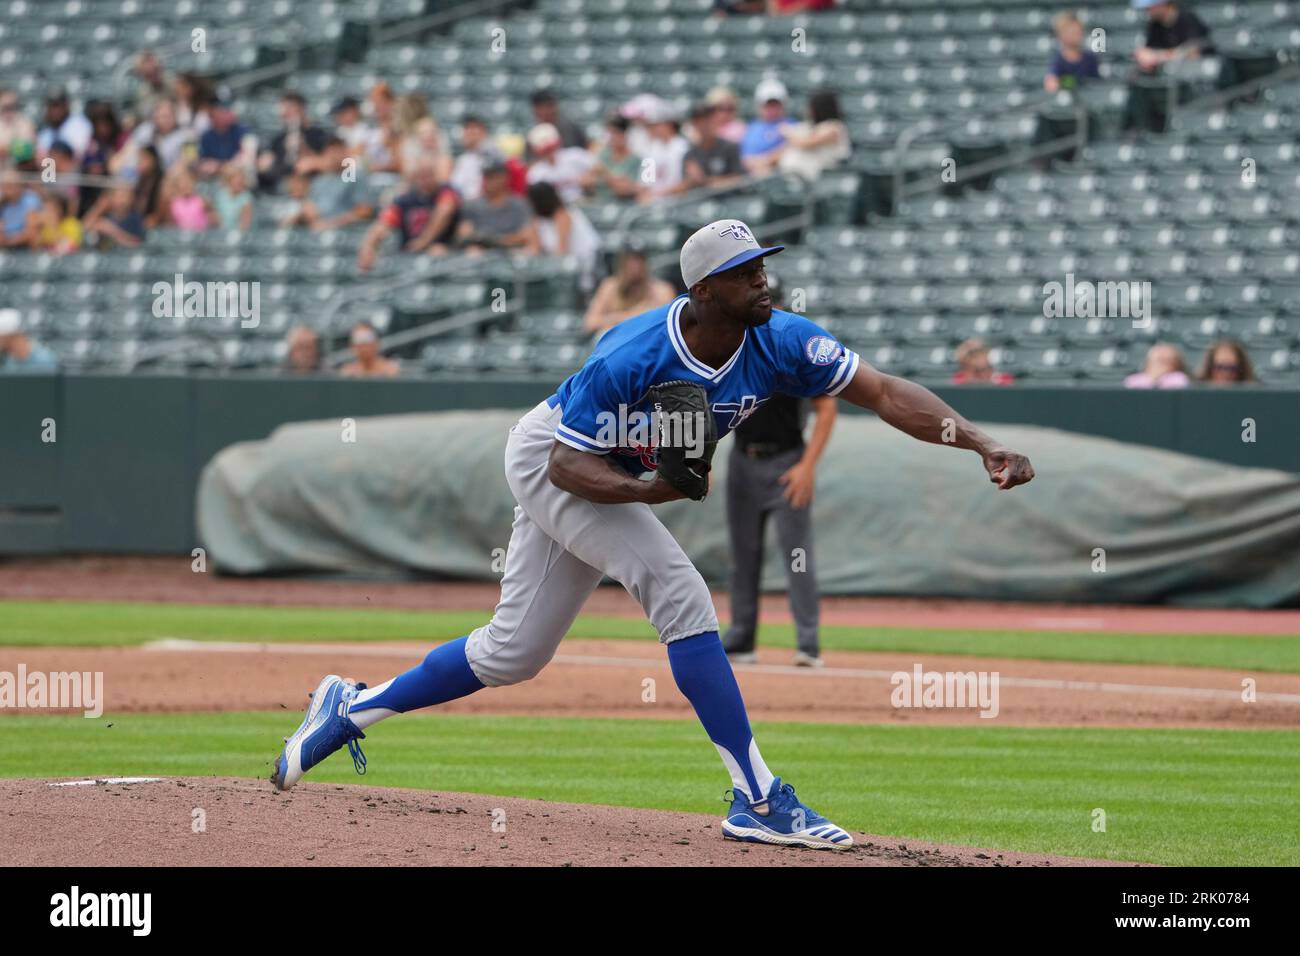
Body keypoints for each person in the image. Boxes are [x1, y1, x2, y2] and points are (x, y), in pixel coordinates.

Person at [269, 217, 1035, 852]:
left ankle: (349, 708)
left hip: (602, 471)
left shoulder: (781, 339)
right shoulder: (634, 353)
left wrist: (980, 441)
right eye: (744, 273)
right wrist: (649, 492)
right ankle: (758, 798)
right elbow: (566, 464)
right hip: (552, 460)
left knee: (512, 653)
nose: (762, 281)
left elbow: (884, 391)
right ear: (703, 291)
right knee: (680, 593)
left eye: (761, 266)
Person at [721, 276, 837, 667]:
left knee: (798, 556)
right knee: (743, 556)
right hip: (742, 459)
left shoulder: (797, 348)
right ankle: (742, 639)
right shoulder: (738, 346)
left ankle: (808, 643)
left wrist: (807, 467)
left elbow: (826, 408)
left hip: (787, 461)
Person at [356, 159, 459, 271]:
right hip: (409, 253)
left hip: (442, 248)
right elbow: (383, 224)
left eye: (429, 175)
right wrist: (368, 245)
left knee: (437, 252)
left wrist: (423, 241)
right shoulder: (405, 201)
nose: (425, 180)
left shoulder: (446, 192)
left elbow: (444, 212)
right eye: (422, 176)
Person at [282, 136, 374, 231]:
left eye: (338, 151)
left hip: (343, 230)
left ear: (346, 153)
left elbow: (365, 211)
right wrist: (300, 216)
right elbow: (310, 206)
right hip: (317, 229)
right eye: (331, 152)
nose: (334, 156)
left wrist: (332, 223)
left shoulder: (356, 176)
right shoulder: (320, 180)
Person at [583, 244, 677, 336]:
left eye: (639, 260)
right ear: (621, 264)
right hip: (617, 340)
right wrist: (624, 316)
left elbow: (670, 323)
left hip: (646, 339)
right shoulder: (609, 287)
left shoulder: (662, 290)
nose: (635, 267)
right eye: (630, 261)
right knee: (603, 334)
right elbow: (590, 323)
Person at [527, 181, 601, 295]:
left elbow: (561, 251)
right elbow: (535, 249)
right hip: (561, 266)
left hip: (583, 265)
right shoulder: (537, 220)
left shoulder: (564, 215)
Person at [454, 160, 535, 254]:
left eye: (492, 176)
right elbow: (464, 235)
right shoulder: (472, 205)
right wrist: (480, 240)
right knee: (472, 251)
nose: (488, 181)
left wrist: (496, 240)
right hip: (481, 255)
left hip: (510, 254)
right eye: (486, 176)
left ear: (504, 178)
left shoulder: (519, 205)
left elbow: (529, 237)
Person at [257, 90, 328, 192]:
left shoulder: (318, 134)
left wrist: (305, 150)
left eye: (290, 108)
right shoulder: (279, 138)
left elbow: (330, 162)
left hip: (311, 182)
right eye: (283, 109)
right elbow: (268, 163)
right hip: (281, 183)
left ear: (302, 109)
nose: (285, 113)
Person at [778, 89, 851, 181]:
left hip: (827, 176)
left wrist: (787, 133)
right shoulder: (810, 126)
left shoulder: (834, 128)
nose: (808, 110)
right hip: (799, 176)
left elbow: (805, 143)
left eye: (811, 107)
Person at [526, 122, 595, 204]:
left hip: (584, 201)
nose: (549, 153)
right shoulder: (535, 173)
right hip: (555, 208)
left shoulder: (575, 155)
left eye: (551, 148)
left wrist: (590, 176)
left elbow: (599, 169)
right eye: (545, 151)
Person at [681, 103, 745, 192]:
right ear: (694, 124)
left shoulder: (730, 147)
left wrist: (704, 180)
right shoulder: (690, 156)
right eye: (699, 121)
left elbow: (740, 180)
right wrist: (691, 181)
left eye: (707, 119)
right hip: (701, 199)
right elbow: (686, 188)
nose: (704, 125)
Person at [636, 103, 690, 201]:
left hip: (679, 202)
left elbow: (687, 182)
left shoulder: (683, 147)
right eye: (650, 126)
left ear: (669, 124)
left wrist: (661, 193)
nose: (652, 129)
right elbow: (645, 183)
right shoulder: (651, 149)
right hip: (654, 202)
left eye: (656, 125)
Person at [582, 113, 641, 202]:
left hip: (623, 205)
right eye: (610, 133)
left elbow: (624, 190)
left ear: (626, 134)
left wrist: (605, 173)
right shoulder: (604, 155)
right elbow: (585, 182)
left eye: (616, 133)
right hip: (598, 203)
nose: (612, 138)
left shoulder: (636, 160)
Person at [741, 79, 796, 175]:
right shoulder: (751, 128)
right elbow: (745, 158)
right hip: (753, 174)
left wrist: (767, 160)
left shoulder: (792, 125)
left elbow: (794, 148)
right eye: (768, 105)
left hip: (780, 174)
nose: (772, 109)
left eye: (775, 105)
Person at [1044, 11, 1102, 92]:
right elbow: (1051, 83)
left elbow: (1097, 84)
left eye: (1078, 31)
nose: (1076, 35)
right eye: (1071, 32)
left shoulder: (1090, 58)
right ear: (1060, 35)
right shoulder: (1057, 61)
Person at [448, 115, 501, 202]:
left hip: (486, 202)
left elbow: (495, 185)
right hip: (464, 203)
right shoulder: (463, 159)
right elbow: (455, 185)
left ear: (483, 132)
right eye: (466, 129)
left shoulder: (493, 153)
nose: (468, 134)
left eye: (472, 129)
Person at [197, 102, 254, 179]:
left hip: (236, 169)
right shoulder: (206, 136)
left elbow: (247, 154)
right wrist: (210, 164)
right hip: (213, 171)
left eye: (226, 112)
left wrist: (227, 165)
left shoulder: (242, 131)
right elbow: (202, 158)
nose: (223, 116)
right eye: (220, 112)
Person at [36, 88, 92, 160]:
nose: (54, 110)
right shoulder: (45, 131)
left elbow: (78, 155)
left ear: (66, 105)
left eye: (57, 105)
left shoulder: (79, 123)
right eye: (51, 106)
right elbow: (41, 157)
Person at [528, 89, 588, 156]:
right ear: (535, 110)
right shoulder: (533, 134)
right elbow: (529, 159)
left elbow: (579, 153)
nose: (546, 111)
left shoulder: (568, 128)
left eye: (549, 106)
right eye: (541, 107)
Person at [163, 164, 215, 231]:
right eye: (183, 184)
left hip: (200, 234)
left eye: (189, 183)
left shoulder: (201, 200)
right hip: (182, 234)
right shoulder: (174, 203)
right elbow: (170, 223)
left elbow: (213, 218)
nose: (186, 186)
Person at [0, 168, 42, 247]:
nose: (7, 189)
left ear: (19, 185)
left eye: (10, 186)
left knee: (34, 235)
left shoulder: (31, 198)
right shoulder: (2, 201)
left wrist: (9, 242)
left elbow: (31, 229)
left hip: (24, 245)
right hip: (7, 244)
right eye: (4, 186)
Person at [1124, 341, 1190, 388]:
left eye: (1164, 361)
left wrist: (1157, 377)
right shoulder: (1134, 379)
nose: (1161, 353)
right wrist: (1153, 378)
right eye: (1158, 360)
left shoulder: (1179, 378)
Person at [213, 162, 255, 232]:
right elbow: (215, 216)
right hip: (220, 233)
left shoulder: (246, 198)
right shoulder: (221, 195)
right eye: (237, 181)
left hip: (238, 234)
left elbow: (245, 224)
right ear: (229, 181)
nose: (241, 182)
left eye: (242, 180)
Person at [0, 89, 37, 160]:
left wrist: (6, 149)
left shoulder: (25, 123)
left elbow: (27, 150)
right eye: (6, 107)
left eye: (12, 107)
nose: (9, 111)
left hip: (19, 165)